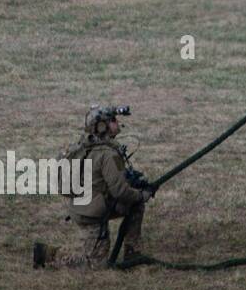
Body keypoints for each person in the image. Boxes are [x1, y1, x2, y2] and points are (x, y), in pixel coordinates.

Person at [33, 105, 155, 269]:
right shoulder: (107, 154)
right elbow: (120, 191)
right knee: (94, 265)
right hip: (91, 215)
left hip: (82, 206)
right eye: (112, 120)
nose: (117, 123)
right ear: (102, 126)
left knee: (135, 206)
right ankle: (47, 254)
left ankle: (132, 253)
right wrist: (142, 195)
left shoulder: (85, 145)